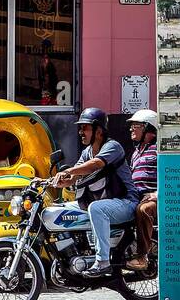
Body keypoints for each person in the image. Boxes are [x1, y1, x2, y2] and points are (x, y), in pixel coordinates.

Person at [52, 107, 140, 276]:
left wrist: (69, 171)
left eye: (84, 127)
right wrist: (51, 181)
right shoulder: (87, 152)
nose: (80, 132)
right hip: (107, 203)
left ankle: (103, 261)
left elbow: (96, 164)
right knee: (61, 209)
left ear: (98, 130)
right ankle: (73, 256)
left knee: (96, 208)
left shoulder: (112, 147)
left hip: (126, 203)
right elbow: (75, 176)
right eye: (80, 128)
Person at [125, 109, 159, 271]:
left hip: (156, 200)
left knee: (144, 210)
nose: (131, 129)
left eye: (136, 126)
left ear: (148, 128)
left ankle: (142, 257)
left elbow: (171, 175)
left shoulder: (159, 150)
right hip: (136, 196)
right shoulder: (136, 152)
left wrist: (156, 194)